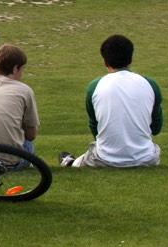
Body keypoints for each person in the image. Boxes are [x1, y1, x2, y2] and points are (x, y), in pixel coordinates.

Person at [61, 34, 162, 168]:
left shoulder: (95, 86)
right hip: (146, 159)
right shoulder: (150, 84)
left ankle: (70, 162)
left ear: (105, 61)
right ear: (130, 59)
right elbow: (156, 128)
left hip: (105, 159)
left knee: (78, 162)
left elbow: (95, 126)